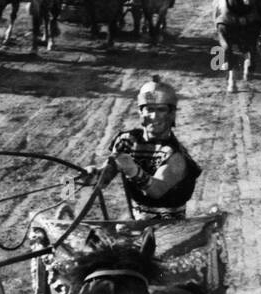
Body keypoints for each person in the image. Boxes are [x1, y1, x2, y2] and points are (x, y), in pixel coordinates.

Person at [79, 77, 202, 220]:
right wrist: (90, 176)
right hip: (135, 219)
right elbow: (104, 178)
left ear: (171, 114)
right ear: (141, 112)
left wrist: (132, 170)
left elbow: (156, 190)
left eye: (161, 110)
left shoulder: (175, 156)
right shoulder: (127, 141)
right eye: (149, 109)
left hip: (170, 226)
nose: (154, 116)